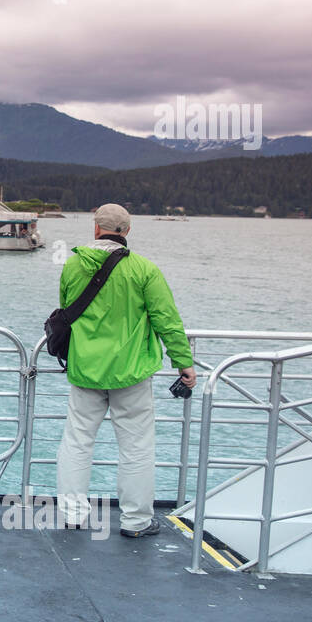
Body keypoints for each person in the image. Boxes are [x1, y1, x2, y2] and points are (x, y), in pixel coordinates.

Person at [56, 204, 195, 538]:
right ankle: (135, 522)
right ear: (127, 231)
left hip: (85, 369)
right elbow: (167, 320)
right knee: (135, 447)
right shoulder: (145, 270)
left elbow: (64, 309)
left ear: (95, 229)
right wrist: (183, 363)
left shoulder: (73, 265)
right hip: (131, 372)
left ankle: (73, 515)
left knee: (77, 442)